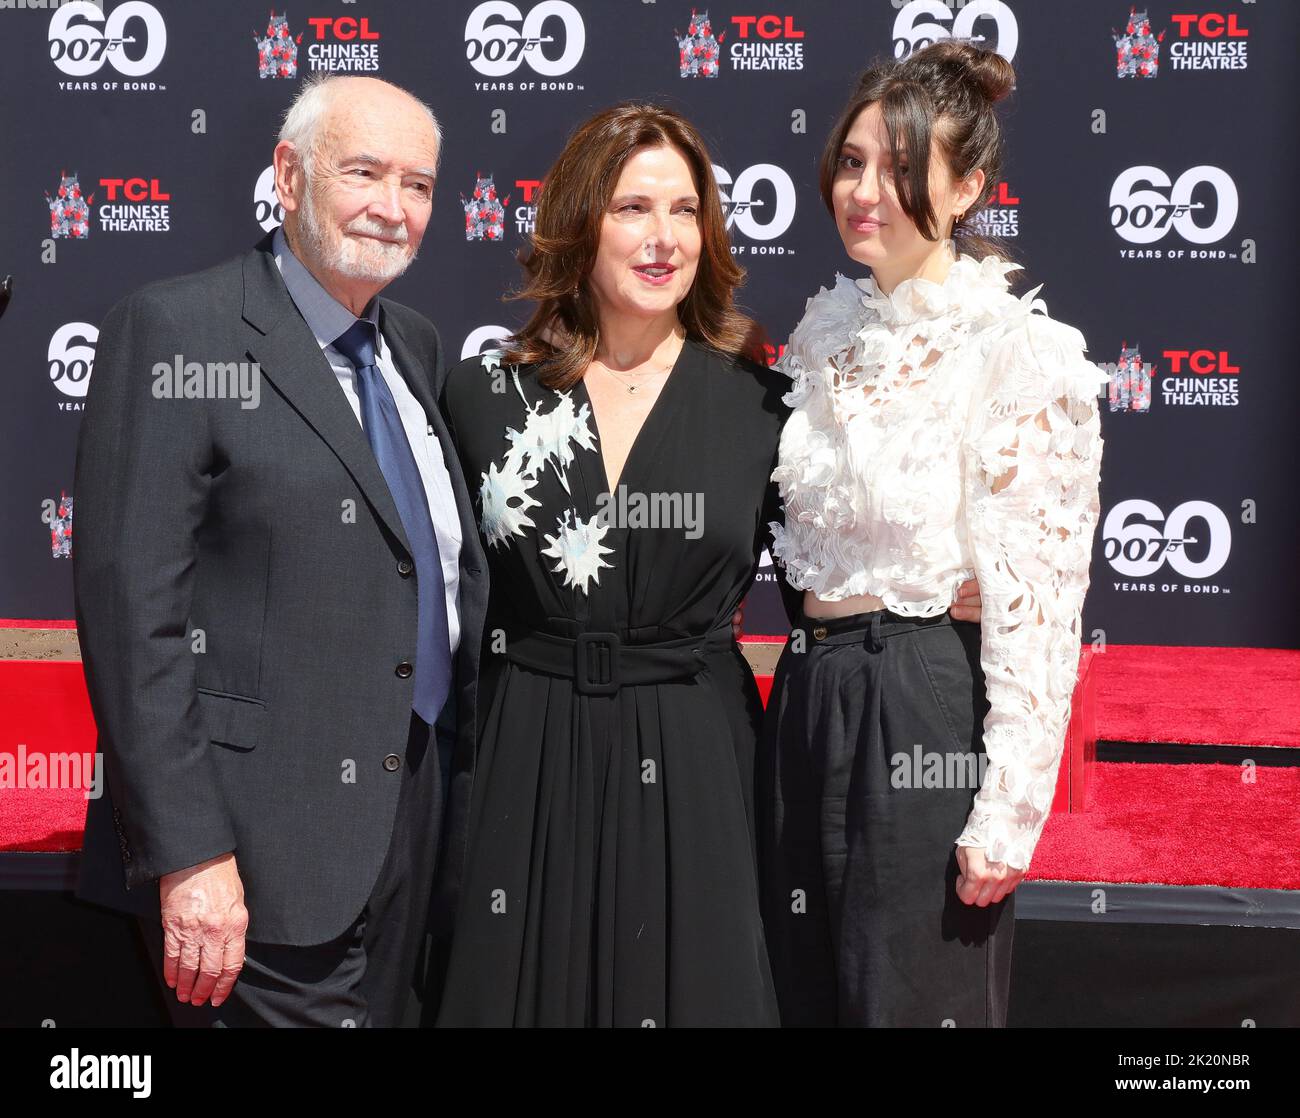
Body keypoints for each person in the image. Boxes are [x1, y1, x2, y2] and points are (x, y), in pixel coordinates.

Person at [430, 102, 983, 1027]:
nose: (663, 239)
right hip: (524, 749)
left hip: (697, 762)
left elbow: (841, 558)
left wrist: (945, 581)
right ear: (577, 221)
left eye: (686, 212)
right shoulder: (483, 393)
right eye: (632, 209)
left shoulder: (760, 404)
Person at [73, 74, 487, 1027]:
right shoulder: (180, 329)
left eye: (418, 185)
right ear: (290, 175)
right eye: (364, 173)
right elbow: (135, 615)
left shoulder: (413, 347)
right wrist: (189, 856)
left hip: (407, 833)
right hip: (250, 857)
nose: (393, 208)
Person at [759, 42, 1107, 1027]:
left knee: (914, 1004)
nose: (867, 189)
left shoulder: (1018, 352)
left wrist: (1007, 810)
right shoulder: (821, 336)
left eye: (905, 170)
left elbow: (1039, 605)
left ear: (966, 189)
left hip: (917, 700)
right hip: (807, 693)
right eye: (853, 161)